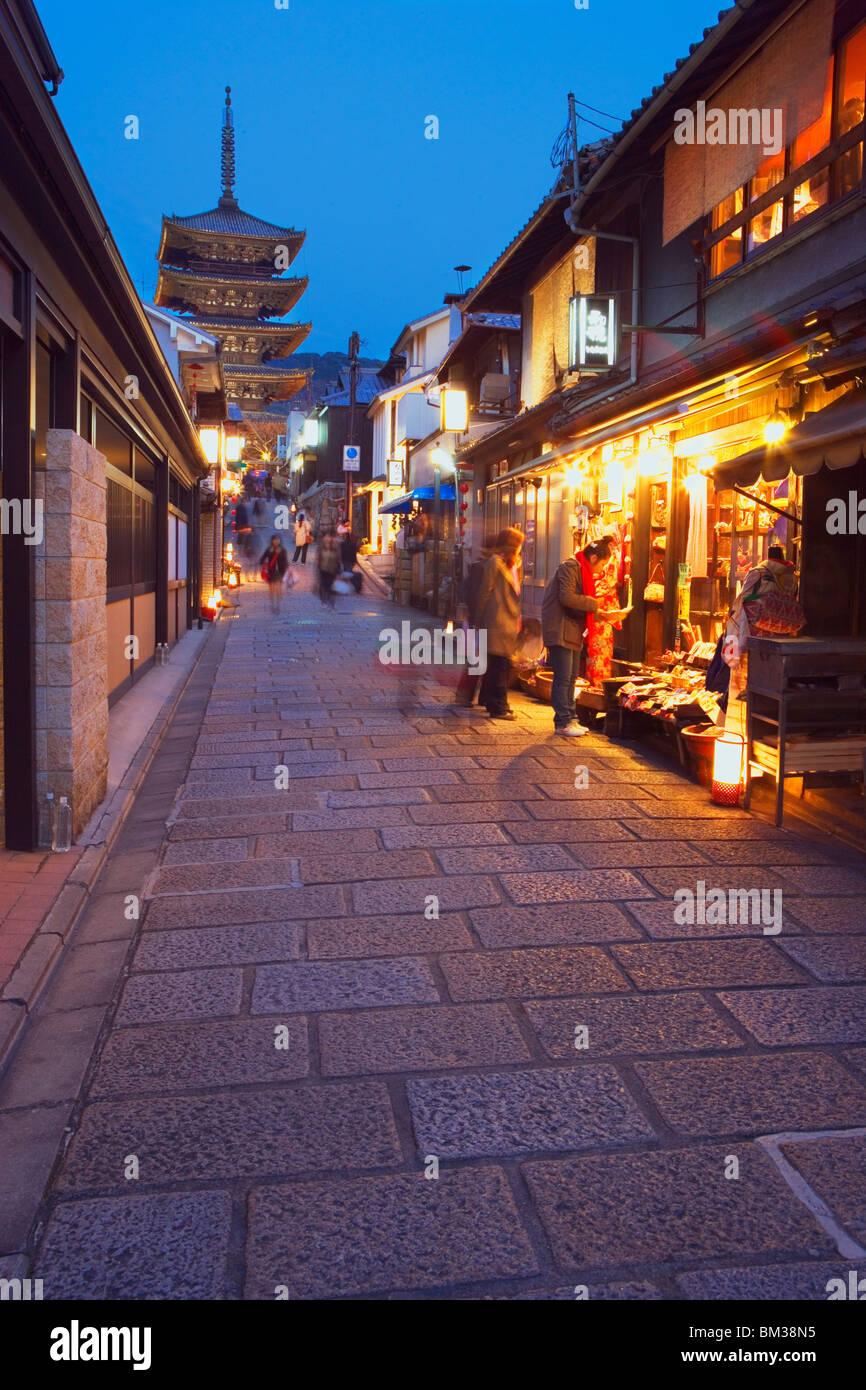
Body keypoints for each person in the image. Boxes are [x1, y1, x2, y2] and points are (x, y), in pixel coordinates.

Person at [542, 534, 630, 736]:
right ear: (592, 558)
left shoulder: (582, 570)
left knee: (572, 677)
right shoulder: (571, 567)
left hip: (571, 629)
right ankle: (563, 721)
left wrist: (606, 615)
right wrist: (594, 603)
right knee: (564, 678)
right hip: (561, 629)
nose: (602, 569)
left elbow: (579, 604)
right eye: (602, 564)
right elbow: (567, 597)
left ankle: (570, 718)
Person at [721, 544, 801, 735]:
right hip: (781, 642)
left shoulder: (758, 573)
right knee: (770, 690)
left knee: (745, 690)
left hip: (753, 640)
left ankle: (740, 736)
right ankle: (766, 734)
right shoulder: (792, 577)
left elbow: (741, 604)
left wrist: (733, 637)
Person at [475, 527, 524, 721]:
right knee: (500, 664)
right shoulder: (495, 563)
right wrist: (479, 619)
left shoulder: (511, 564)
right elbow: (484, 592)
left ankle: (490, 700)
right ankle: (499, 707)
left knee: (497, 663)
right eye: (519, 545)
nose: (520, 549)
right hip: (497, 620)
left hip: (508, 620)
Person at [454, 536, 496, 708]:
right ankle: (465, 696)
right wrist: (476, 620)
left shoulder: (480, 566)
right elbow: (477, 595)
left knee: (481, 660)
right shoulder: (482, 568)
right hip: (479, 622)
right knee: (476, 660)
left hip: (478, 620)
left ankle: (479, 697)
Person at [260, 534, 289, 613]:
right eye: (275, 540)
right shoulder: (269, 549)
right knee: (272, 589)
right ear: (272, 541)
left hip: (280, 571)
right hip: (271, 572)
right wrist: (264, 562)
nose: (276, 541)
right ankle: (273, 605)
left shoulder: (283, 550)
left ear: (280, 541)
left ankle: (278, 605)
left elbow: (285, 561)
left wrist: (286, 569)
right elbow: (262, 559)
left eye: (277, 540)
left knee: (279, 588)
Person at [317, 528, 341, 606]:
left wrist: (338, 568)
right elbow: (319, 558)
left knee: (329, 584)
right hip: (323, 569)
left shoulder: (335, 547)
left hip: (331, 569)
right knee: (324, 584)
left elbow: (338, 558)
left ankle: (328, 598)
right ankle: (325, 597)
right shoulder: (322, 548)